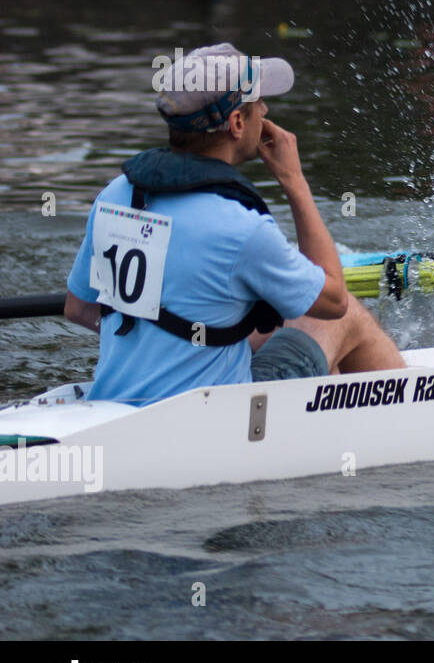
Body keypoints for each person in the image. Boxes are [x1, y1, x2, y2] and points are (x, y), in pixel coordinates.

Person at [64, 43, 403, 404]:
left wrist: (161, 344)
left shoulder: (116, 194)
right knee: (343, 317)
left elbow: (78, 308)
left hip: (114, 404)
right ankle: (406, 416)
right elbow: (332, 300)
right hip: (210, 418)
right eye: (258, 103)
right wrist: (294, 181)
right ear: (238, 123)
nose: (266, 110)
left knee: (309, 351)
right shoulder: (242, 228)